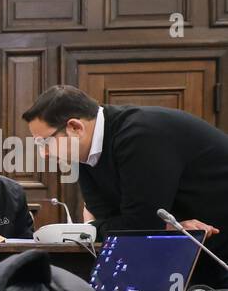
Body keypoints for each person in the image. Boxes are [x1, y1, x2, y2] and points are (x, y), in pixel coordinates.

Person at [22, 84, 228, 275]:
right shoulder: (85, 155)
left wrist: (83, 231)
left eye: (45, 142)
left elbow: (137, 227)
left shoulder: (139, 135)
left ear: (75, 127)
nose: (44, 154)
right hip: (196, 250)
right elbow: (113, 220)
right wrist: (159, 227)